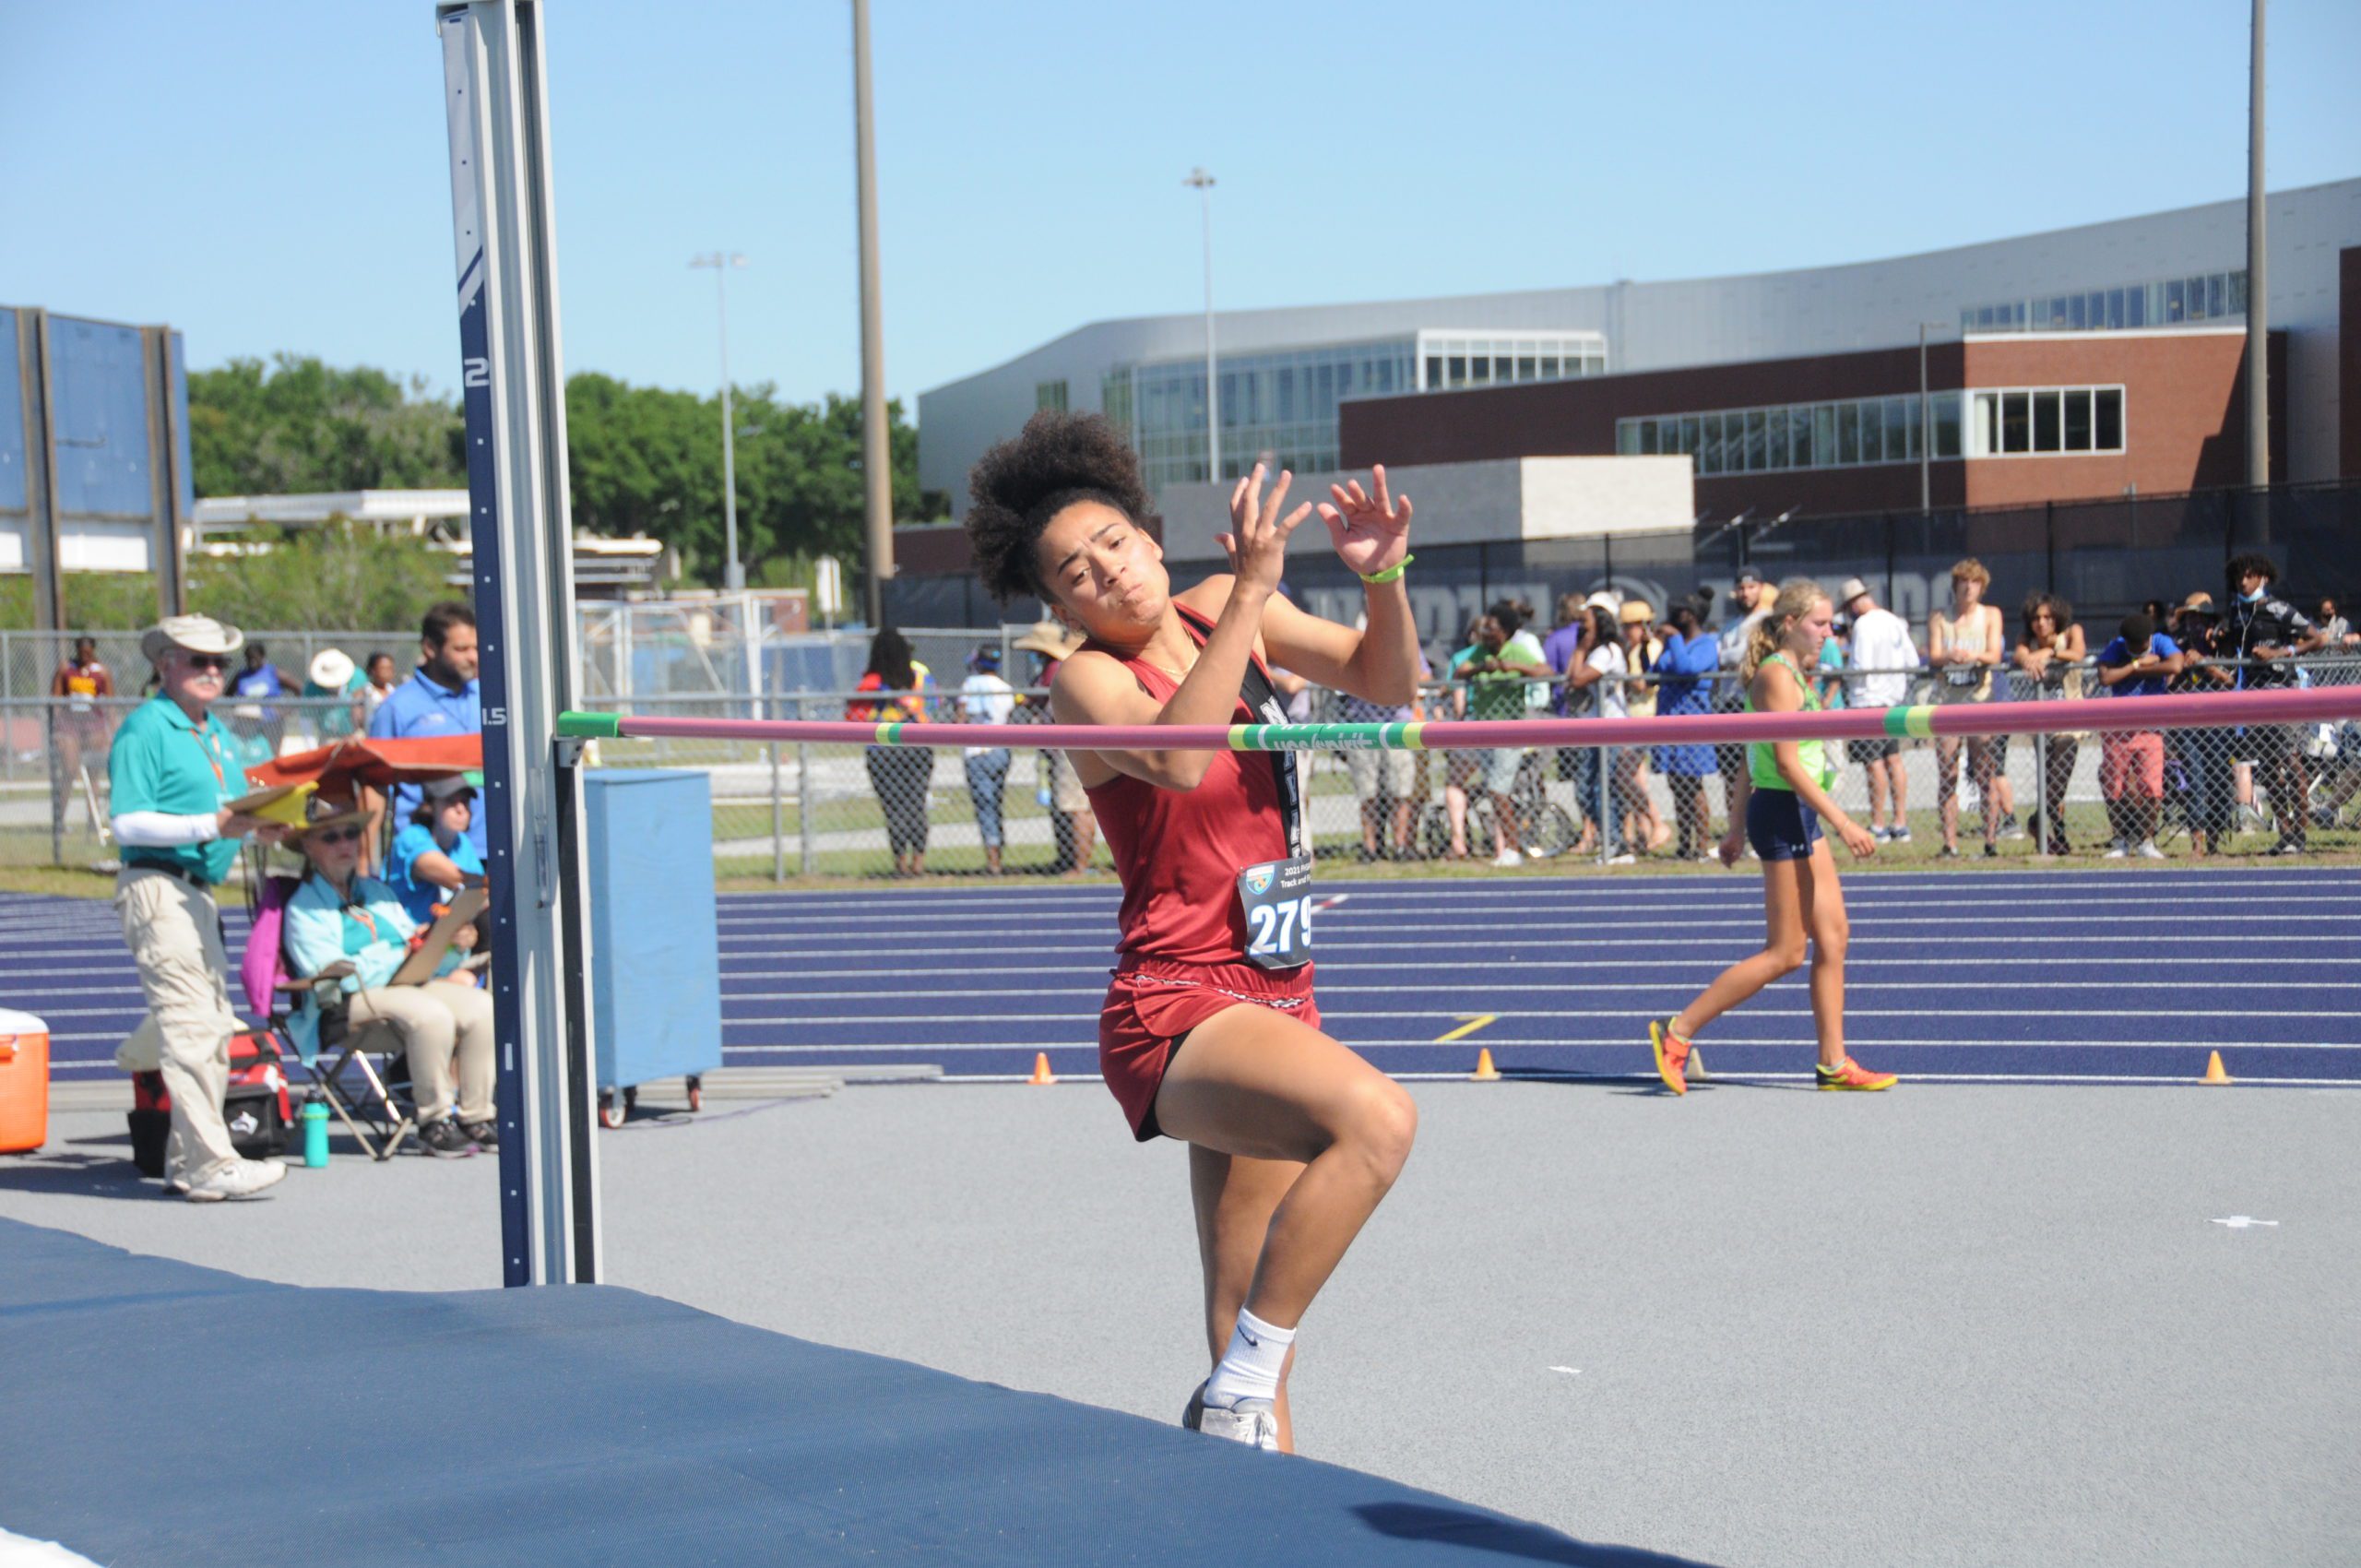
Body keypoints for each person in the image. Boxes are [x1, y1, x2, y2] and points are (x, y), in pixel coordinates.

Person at [964, 411, 1422, 1455]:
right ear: (1057, 605)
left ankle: (1263, 1505)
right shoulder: (1082, 681)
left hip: (1275, 976)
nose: (1106, 577)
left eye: (1112, 545)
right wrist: (1253, 594)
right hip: (1177, 1004)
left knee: (1242, 1320)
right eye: (1075, 575)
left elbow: (1387, 682)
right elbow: (1177, 755)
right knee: (1377, 1121)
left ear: (1149, 535)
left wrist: (1384, 578)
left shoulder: (1220, 606)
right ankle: (1237, 1393)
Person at [1648, 580, 1893, 1096]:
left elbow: (1748, 758)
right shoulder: (1776, 676)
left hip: (1794, 811)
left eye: (1832, 624)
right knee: (1784, 953)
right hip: (1785, 812)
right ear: (1789, 624)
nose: (1830, 633)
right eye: (1819, 624)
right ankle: (1678, 1031)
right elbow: (1782, 762)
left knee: (1834, 937)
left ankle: (1833, 1062)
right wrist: (1846, 823)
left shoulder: (1796, 678)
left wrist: (1735, 827)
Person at [107, 616, 291, 1201]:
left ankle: (189, 1163)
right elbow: (127, 822)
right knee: (192, 1028)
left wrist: (262, 828)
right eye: (197, 661)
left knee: (209, 1028)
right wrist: (213, 823)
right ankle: (211, 1160)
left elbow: (231, 811)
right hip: (158, 885)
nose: (212, 671)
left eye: (220, 663)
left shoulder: (217, 735)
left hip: (197, 890)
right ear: (165, 665)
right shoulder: (146, 729)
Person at [282, 796, 492, 1157]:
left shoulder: (376, 892)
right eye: (330, 837)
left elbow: (415, 946)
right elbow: (334, 972)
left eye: (350, 834)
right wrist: (399, 954)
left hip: (405, 985)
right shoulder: (303, 907)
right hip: (347, 1002)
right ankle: (434, 1121)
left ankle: (477, 1116)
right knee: (430, 1014)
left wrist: (451, 945)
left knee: (480, 1006)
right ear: (308, 846)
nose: (345, 844)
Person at [2220, 553, 2328, 855]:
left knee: (2291, 762)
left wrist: (2282, 652)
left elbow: (2317, 639)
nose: (2244, 581)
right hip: (2252, 696)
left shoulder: (2278, 608)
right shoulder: (2236, 611)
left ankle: (2301, 835)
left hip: (2282, 692)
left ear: (2263, 577)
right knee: (2267, 770)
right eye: (2240, 576)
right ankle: (2286, 832)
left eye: (2250, 575)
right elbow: (2235, 645)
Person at [367, 602, 485, 862]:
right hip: (428, 858)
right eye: (461, 649)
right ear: (430, 648)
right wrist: (366, 866)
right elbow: (374, 788)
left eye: (475, 648)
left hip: (490, 850)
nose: (473, 657)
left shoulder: (489, 700)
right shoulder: (397, 709)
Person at [1928, 558, 2006, 859]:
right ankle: (1950, 843)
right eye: (1964, 582)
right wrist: (1950, 654)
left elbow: (1994, 653)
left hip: (1979, 701)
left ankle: (1991, 841)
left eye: (1974, 582)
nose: (1969, 587)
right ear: (1956, 585)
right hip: (1947, 702)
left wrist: (1972, 655)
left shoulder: (1990, 615)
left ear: (1981, 586)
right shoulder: (1940, 617)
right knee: (1947, 773)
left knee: (1986, 772)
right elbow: (1934, 655)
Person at [848, 627, 936, 876]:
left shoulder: (871, 681)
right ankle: (918, 862)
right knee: (916, 804)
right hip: (918, 746)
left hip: (882, 749)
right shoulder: (920, 675)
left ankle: (901, 863)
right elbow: (933, 706)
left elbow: (855, 714)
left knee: (893, 808)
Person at [2094, 611, 2182, 860]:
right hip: (2117, 727)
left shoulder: (2161, 641)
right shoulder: (2118, 646)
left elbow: (2176, 664)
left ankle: (2146, 841)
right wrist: (2137, 665)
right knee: (2114, 786)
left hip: (2150, 728)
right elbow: (2105, 676)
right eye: (2132, 648)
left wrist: (2135, 670)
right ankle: (2120, 840)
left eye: (2141, 648)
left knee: (2151, 787)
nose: (2137, 650)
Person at [1460, 613, 1546, 866]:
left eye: (1492, 629)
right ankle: (1505, 846)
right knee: (1494, 789)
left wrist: (1516, 668)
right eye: (1485, 629)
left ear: (1505, 632)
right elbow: (1460, 671)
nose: (1487, 633)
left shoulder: (1516, 651)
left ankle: (1513, 847)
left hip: (1510, 729)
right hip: (1484, 730)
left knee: (1498, 790)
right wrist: (1480, 668)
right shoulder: (1479, 652)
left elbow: (1545, 670)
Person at [1012, 620, 1097, 874]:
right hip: (1060, 748)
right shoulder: (1051, 669)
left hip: (1067, 749)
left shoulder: (1054, 669)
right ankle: (1069, 859)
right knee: (1066, 807)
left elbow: (1035, 699)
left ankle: (1080, 866)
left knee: (1076, 806)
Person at [1836, 578, 1917, 843]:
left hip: (1867, 701)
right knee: (1893, 759)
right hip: (1892, 700)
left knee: (1874, 763)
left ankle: (1879, 823)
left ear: (1854, 604)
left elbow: (1860, 665)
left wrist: (1843, 664)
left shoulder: (1863, 625)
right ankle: (1900, 822)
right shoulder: (1894, 621)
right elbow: (1912, 660)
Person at [1337, 622, 1426, 861]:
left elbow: (1423, 675)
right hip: (1362, 728)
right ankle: (1370, 847)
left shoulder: (1405, 640)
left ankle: (1401, 846)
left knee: (1402, 790)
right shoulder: (1355, 639)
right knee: (1368, 793)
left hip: (1398, 728)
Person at [2013, 592, 2087, 857]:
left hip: (2070, 720)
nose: (2041, 623)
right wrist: (2028, 656)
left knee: (2058, 780)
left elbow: (2078, 653)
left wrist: (2046, 652)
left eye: (2047, 617)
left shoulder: (2072, 633)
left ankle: (2037, 822)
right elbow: (2020, 655)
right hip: (2041, 723)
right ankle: (2053, 839)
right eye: (2036, 618)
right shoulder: (2027, 640)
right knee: (2048, 782)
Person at [1650, 596, 1720, 861]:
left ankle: (1701, 846)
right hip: (1668, 718)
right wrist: (1652, 646)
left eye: (1681, 612)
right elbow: (1655, 671)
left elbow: (1685, 668)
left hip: (1693, 722)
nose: (1676, 616)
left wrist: (1674, 639)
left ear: (1692, 615)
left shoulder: (1706, 645)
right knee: (1676, 784)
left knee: (1693, 784)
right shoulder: (1673, 642)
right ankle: (1684, 844)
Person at [1714, 567, 1773, 841]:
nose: (1746, 593)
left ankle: (1757, 829)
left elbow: (1746, 653)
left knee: (1754, 771)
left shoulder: (1766, 621)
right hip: (1729, 704)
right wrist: (1727, 656)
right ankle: (1737, 829)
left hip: (1754, 704)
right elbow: (1719, 654)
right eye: (1741, 588)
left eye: (1751, 587)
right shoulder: (1730, 625)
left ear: (1761, 588)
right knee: (1730, 774)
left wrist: (1727, 656)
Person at [385, 776, 486, 926]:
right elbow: (458, 879)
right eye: (451, 802)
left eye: (465, 802)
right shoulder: (411, 837)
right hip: (405, 939)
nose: (461, 810)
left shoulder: (462, 842)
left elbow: (481, 895)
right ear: (430, 807)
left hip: (443, 941)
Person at [959, 646, 1017, 874]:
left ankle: (993, 860)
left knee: (985, 806)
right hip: (1000, 749)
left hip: (976, 750)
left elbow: (961, 716)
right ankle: (998, 851)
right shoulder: (1005, 687)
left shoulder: (970, 685)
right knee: (996, 800)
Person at [1618, 600, 1669, 854]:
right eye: (1625, 626)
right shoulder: (1632, 649)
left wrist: (1627, 680)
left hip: (1646, 717)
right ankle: (1644, 834)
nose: (1629, 631)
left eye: (1634, 626)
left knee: (1625, 776)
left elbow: (1647, 683)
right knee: (1635, 779)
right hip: (1633, 716)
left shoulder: (1653, 648)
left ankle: (1659, 823)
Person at [49, 635, 117, 813]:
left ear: (93, 651)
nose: (84, 656)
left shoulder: (101, 672)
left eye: (88, 653)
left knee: (93, 773)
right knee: (69, 770)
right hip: (70, 725)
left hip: (93, 725)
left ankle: (92, 821)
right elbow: (55, 700)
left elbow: (110, 705)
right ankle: (60, 820)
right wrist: (56, 729)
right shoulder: (66, 668)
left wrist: (113, 732)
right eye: (81, 652)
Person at [303, 648, 363, 742]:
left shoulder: (358, 679)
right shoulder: (311, 688)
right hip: (326, 738)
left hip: (354, 738)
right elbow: (306, 720)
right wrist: (311, 747)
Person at [356, 651, 399, 735]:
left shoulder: (395, 692)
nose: (387, 672)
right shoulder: (364, 692)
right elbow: (358, 720)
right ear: (373, 670)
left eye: (390, 668)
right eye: (383, 668)